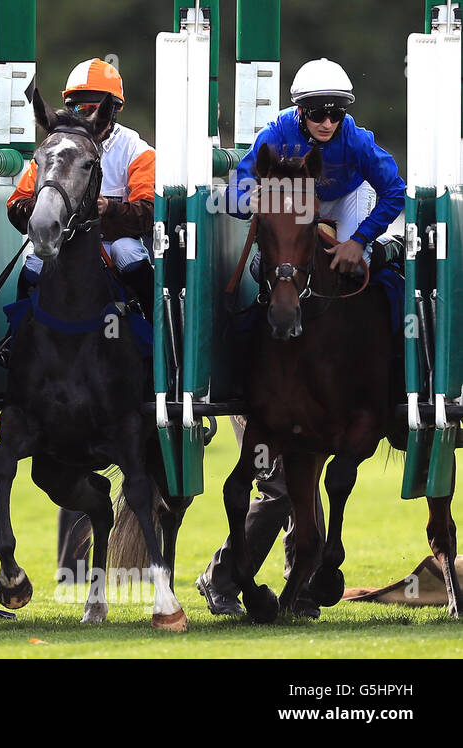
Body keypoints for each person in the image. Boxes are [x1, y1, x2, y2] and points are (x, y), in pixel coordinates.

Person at [196, 58, 405, 617]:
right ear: (298, 110)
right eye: (316, 112)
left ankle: (405, 365)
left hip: (346, 203)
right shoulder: (274, 136)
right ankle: (245, 365)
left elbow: (395, 192)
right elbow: (239, 189)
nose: (327, 122)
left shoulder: (358, 143)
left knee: (386, 272)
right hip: (292, 203)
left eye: (336, 112)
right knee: (272, 271)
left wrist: (358, 240)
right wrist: (265, 202)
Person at [2, 58, 157, 581]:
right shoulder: (53, 146)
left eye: (91, 102)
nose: (81, 109)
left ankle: (159, 343)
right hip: (61, 244)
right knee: (28, 266)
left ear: (112, 107)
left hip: (114, 242)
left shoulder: (137, 150)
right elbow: (19, 200)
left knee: (136, 260)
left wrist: (95, 210)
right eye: (74, 102)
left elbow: (145, 209)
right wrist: (43, 207)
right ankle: (14, 341)